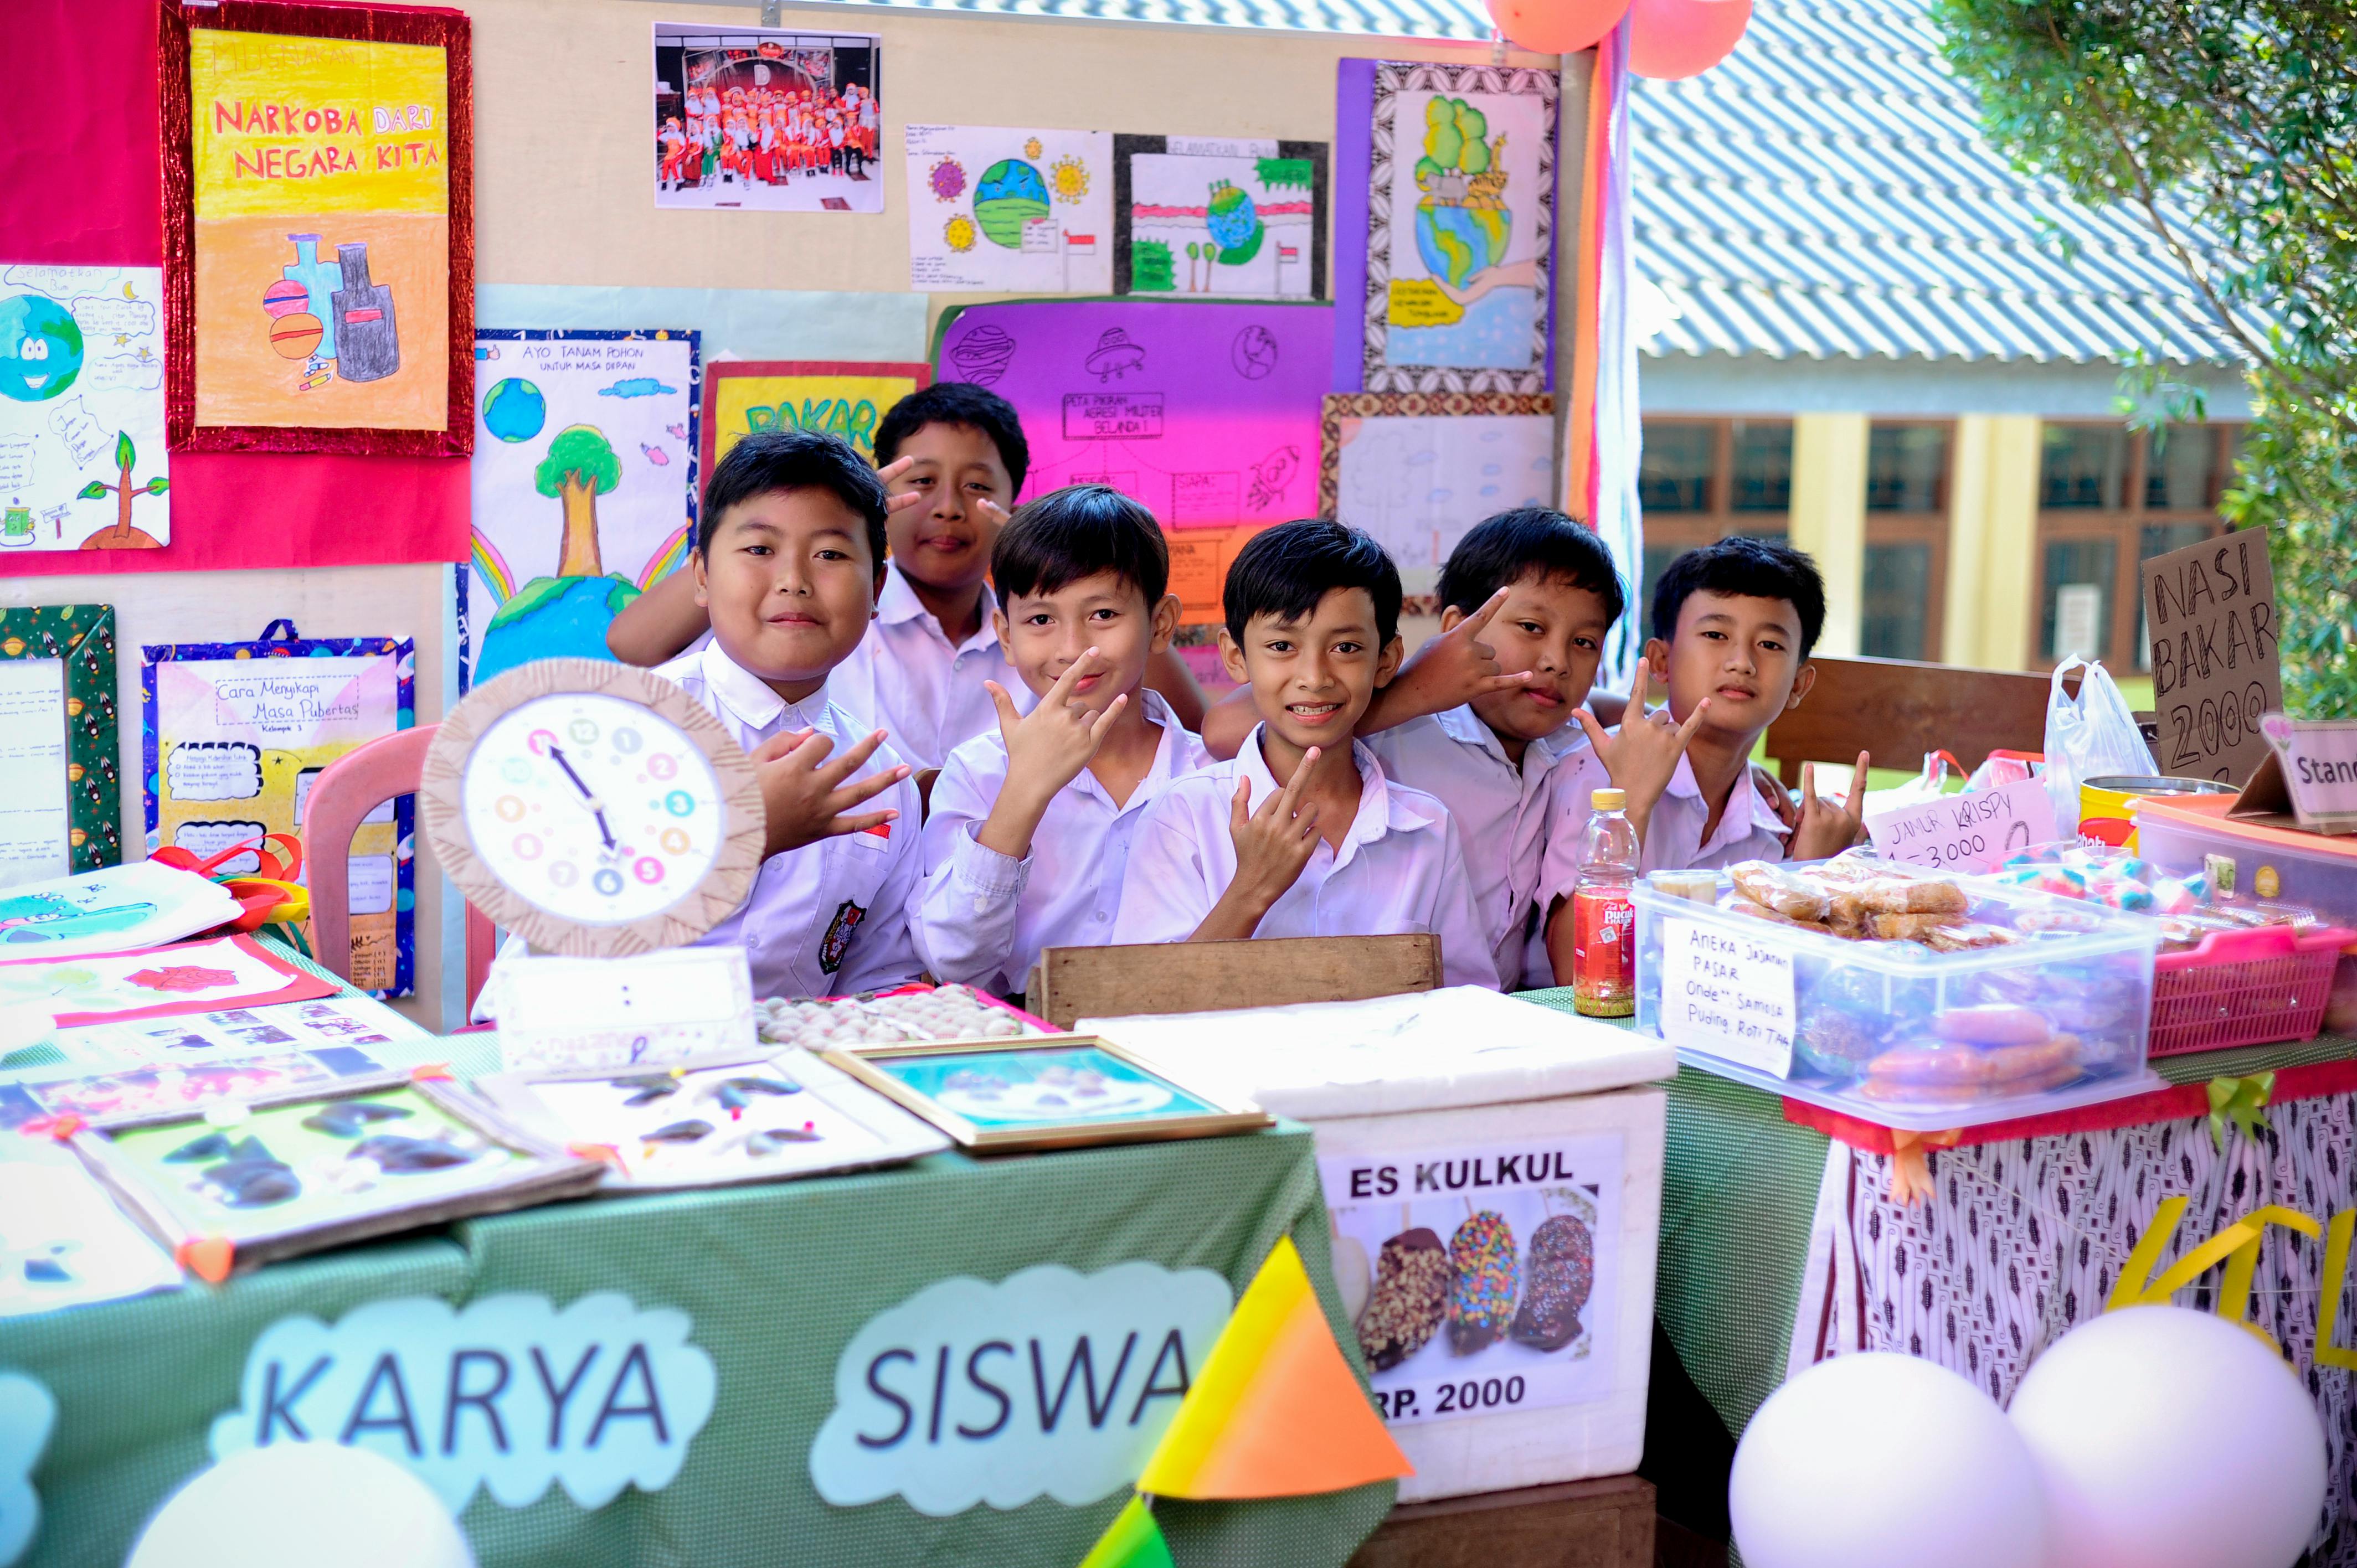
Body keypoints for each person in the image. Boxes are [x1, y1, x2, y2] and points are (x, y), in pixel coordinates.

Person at [608, 383, 1206, 767]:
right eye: (920, 483)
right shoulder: (827, 604)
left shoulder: (1043, 628)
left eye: (976, 487)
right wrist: (837, 519)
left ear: (1012, 502)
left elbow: (1186, 717)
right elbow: (631, 643)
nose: (947, 507)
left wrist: (1051, 555)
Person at [1111, 520, 1498, 989]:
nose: (1314, 677)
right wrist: (1250, 890)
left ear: (1387, 661)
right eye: (1281, 646)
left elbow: (1468, 1000)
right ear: (1236, 657)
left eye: (1346, 647)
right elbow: (1143, 1004)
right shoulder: (1184, 816)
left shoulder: (1426, 829)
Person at [649, 429, 926, 998]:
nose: (794, 581)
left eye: (829, 554)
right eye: (759, 550)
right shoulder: (631, 726)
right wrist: (739, 833)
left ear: (876, 586)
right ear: (702, 575)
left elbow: (876, 980)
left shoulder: (881, 781)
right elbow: (558, 936)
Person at [914, 485, 1207, 995]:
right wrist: (1023, 792)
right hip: (1022, 1045)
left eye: (1103, 615)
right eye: (1042, 620)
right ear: (1006, 636)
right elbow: (954, 963)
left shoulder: (1213, 777)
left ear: (1159, 625)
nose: (1074, 650)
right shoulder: (980, 773)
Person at [1540, 535, 1869, 978]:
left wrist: (1809, 876)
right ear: (1661, 660)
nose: (1742, 663)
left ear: (1798, 685)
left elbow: (1771, 983)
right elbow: (1575, 973)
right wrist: (1630, 803)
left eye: (1770, 645)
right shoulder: (1598, 770)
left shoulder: (1776, 826)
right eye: (1716, 635)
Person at [1351, 508, 1624, 990]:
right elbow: (1225, 729)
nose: (1557, 662)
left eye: (1584, 642)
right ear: (1460, 628)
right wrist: (1414, 688)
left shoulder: (1566, 743)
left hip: (1500, 1016)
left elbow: (1612, 709)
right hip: (1388, 1009)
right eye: (1532, 628)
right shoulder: (1393, 730)